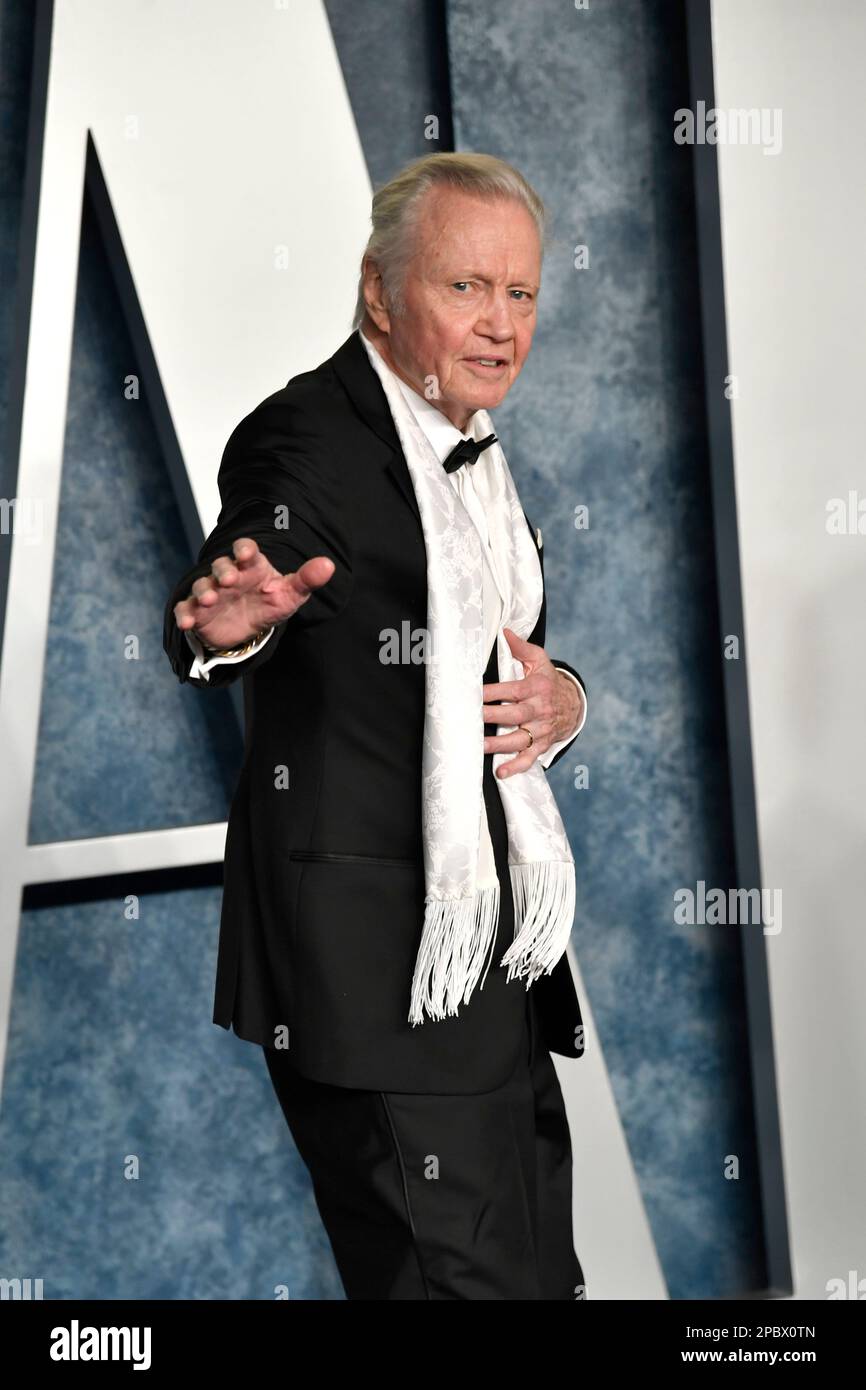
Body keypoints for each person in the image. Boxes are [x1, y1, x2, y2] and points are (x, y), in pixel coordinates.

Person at [163, 152, 589, 1300]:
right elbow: (239, 573)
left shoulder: (475, 459)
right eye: (465, 288)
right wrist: (226, 625)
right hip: (375, 971)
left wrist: (570, 700)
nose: (500, 325)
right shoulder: (303, 437)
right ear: (378, 294)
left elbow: (507, 664)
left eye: (520, 293)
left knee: (544, 1287)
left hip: (490, 965)